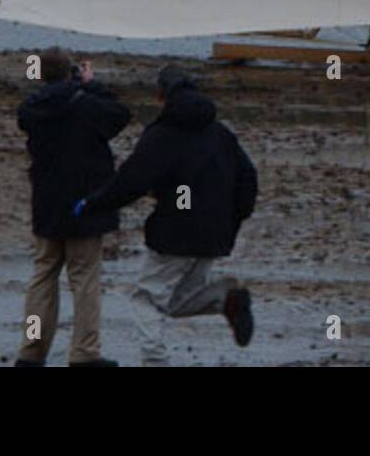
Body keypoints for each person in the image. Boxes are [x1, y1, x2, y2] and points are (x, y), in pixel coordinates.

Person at [77, 66, 258, 366]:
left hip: (176, 231)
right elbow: (247, 177)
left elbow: (131, 182)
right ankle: (226, 299)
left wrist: (92, 204)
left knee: (145, 298)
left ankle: (155, 360)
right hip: (215, 233)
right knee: (176, 302)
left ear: (162, 96)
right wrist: (234, 217)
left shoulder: (163, 135)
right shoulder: (221, 133)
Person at [14, 48, 131, 367]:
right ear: (71, 72)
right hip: (85, 202)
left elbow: (32, 114)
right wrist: (91, 84)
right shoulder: (87, 104)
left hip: (48, 199)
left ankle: (31, 350)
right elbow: (120, 115)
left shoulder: (32, 109)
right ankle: (84, 352)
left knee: (43, 274)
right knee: (84, 279)